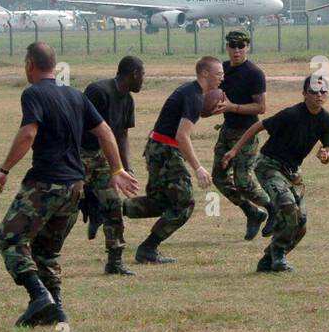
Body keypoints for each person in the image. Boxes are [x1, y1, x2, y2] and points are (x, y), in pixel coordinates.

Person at [0, 43, 138, 327]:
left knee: (10, 239)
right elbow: (106, 132)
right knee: (47, 250)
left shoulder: (33, 93)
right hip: (75, 187)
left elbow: (27, 134)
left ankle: (39, 297)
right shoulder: (73, 94)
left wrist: (3, 169)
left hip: (46, 183)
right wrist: (117, 169)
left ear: (29, 64)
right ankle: (55, 308)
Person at [220, 73, 329, 272]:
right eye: (314, 91)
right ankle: (279, 255)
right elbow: (257, 126)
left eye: (323, 91)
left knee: (301, 224)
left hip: (292, 172)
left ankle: (269, 259)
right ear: (304, 93)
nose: (319, 95)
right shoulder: (291, 114)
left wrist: (325, 156)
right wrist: (233, 151)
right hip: (269, 165)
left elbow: (327, 151)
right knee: (287, 206)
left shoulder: (327, 120)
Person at [123, 56, 221, 264]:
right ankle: (148, 248)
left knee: (160, 202)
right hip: (166, 151)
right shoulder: (194, 96)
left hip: (157, 148)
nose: (221, 78)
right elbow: (182, 136)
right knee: (185, 203)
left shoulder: (190, 91)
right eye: (218, 73)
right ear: (205, 73)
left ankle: (108, 209)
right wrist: (198, 168)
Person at [81, 55, 144, 275]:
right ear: (134, 74)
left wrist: (126, 168)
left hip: (105, 157)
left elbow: (123, 135)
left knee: (113, 205)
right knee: (64, 205)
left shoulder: (127, 99)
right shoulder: (98, 91)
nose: (143, 80)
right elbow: (94, 130)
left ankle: (115, 262)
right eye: (142, 75)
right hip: (79, 154)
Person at [212, 28, 272, 241]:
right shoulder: (223, 69)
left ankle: (271, 207)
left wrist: (232, 107)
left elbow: (261, 107)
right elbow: (212, 94)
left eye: (241, 46)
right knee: (218, 178)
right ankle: (252, 212)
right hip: (227, 130)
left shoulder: (254, 73)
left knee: (243, 181)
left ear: (247, 47)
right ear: (226, 47)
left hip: (248, 131)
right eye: (232, 46)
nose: (236, 50)